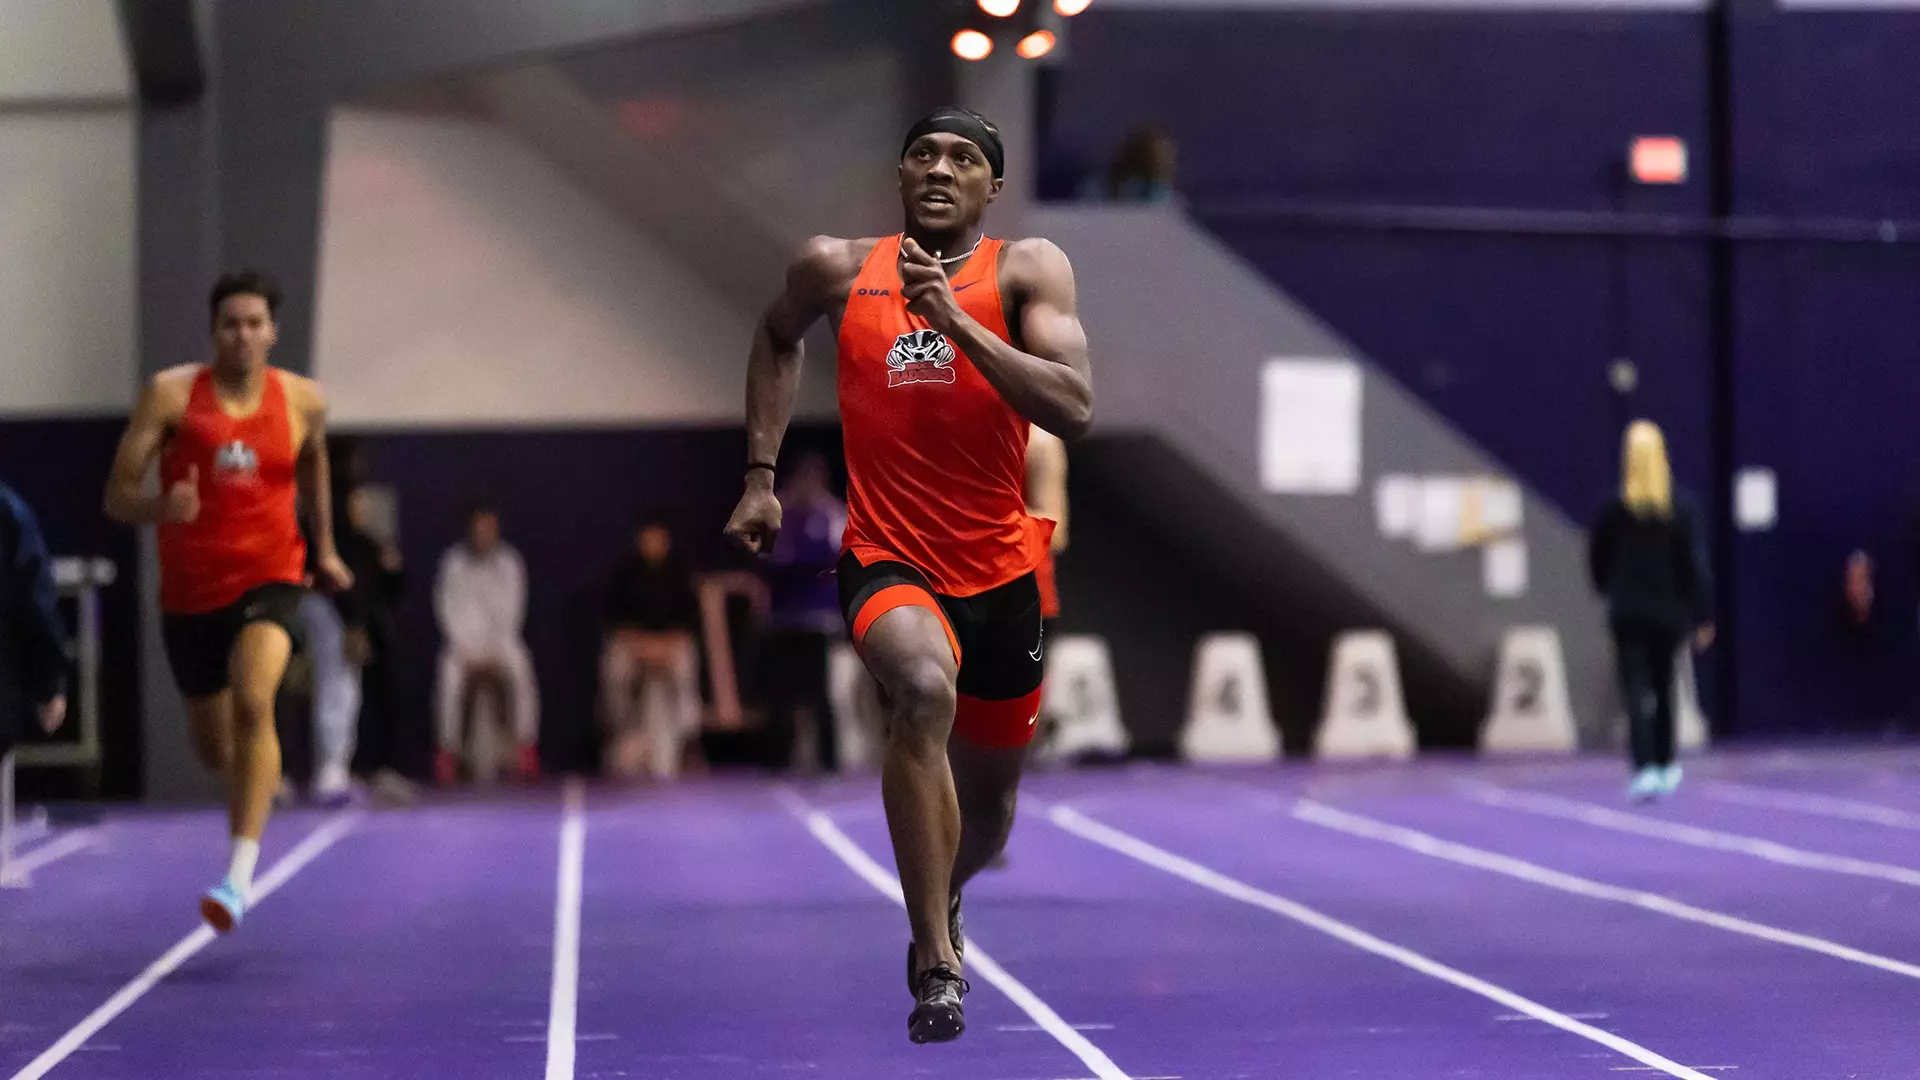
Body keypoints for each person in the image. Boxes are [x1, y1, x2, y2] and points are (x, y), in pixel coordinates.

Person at [725, 105, 1092, 1044]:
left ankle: (948, 893)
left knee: (993, 813)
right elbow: (776, 337)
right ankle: (935, 960)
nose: (939, 168)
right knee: (922, 693)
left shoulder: (1027, 270)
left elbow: (1075, 405)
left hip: (1003, 571)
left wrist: (956, 325)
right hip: (888, 554)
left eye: (963, 158)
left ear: (991, 187)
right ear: (899, 174)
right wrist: (761, 478)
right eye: (922, 154)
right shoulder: (836, 269)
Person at [103, 269, 352, 932]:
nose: (242, 335)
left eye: (253, 323)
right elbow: (116, 495)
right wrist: (161, 505)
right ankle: (253, 790)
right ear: (214, 332)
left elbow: (316, 462)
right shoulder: (171, 396)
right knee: (217, 750)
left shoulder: (303, 400)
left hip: (271, 575)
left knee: (255, 698)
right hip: (190, 595)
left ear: (272, 331)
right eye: (229, 324)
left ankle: (239, 876)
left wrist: (324, 548)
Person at [1587, 420, 1713, 802]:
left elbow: (1598, 560)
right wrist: (1702, 614)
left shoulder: (1615, 511)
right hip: (1667, 614)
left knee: (1638, 691)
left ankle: (1644, 767)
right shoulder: (1680, 510)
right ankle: (1664, 762)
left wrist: (1609, 588)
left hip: (1629, 613)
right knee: (1664, 688)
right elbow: (1693, 565)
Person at [433, 501, 538, 785]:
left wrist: (491, 651)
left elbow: (514, 611)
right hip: (463, 646)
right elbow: (446, 609)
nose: (483, 532)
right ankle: (448, 752)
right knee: (448, 674)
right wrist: (468, 648)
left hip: (501, 643)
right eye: (478, 526)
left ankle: (525, 747)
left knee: (520, 667)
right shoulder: (452, 562)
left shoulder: (510, 562)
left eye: (488, 527)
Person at [759, 451, 846, 773]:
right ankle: (776, 761)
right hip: (783, 617)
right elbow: (769, 557)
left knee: (821, 693)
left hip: (818, 620)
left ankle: (828, 761)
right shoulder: (779, 510)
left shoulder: (834, 513)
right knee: (780, 693)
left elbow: (836, 559)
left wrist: (802, 560)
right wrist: (803, 561)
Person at [599, 516, 702, 782]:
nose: (652, 544)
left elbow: (689, 624)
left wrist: (664, 646)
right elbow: (616, 622)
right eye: (647, 538)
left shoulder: (680, 573)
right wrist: (642, 646)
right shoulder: (624, 574)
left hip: (670, 645)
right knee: (615, 665)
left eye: (658, 538)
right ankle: (616, 726)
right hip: (634, 646)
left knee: (685, 663)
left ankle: (688, 738)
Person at [337, 481, 413, 804]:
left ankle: (387, 769)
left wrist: (394, 567)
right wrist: (355, 627)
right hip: (349, 632)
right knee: (348, 702)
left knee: (388, 698)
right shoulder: (343, 546)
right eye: (359, 505)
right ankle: (345, 769)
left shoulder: (377, 547)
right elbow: (346, 591)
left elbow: (393, 591)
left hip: (379, 633)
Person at [0, 482, 68, 762]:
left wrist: (49, 681)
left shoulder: (9, 512)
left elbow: (34, 602)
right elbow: (36, 602)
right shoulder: (8, 510)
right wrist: (50, 684)